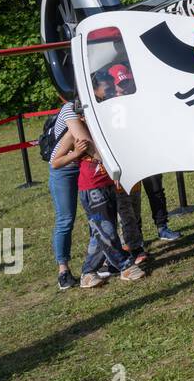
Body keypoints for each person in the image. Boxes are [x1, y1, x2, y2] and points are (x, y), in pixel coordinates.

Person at [51, 112, 145, 286]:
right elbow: (55, 162)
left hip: (111, 184)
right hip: (92, 188)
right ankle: (126, 267)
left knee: (99, 233)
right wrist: (76, 153)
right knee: (106, 230)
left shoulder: (104, 127)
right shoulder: (73, 134)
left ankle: (88, 273)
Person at [107, 64, 181, 243]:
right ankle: (135, 235)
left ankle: (162, 227)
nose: (124, 88)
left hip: (147, 151)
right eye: (120, 85)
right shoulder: (110, 107)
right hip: (126, 157)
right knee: (130, 198)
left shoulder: (139, 97)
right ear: (112, 85)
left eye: (127, 83)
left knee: (156, 190)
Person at [46, 93, 87, 290]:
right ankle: (63, 270)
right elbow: (56, 162)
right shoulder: (70, 109)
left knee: (95, 214)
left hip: (84, 166)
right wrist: (77, 154)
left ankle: (101, 260)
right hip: (64, 169)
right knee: (65, 219)